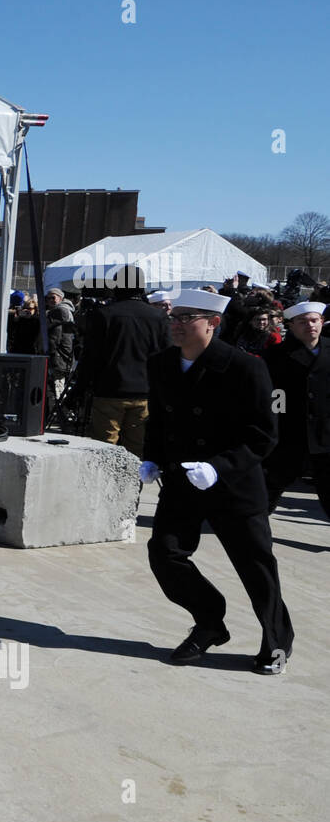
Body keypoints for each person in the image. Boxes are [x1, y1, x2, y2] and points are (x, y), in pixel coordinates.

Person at [140, 289, 293, 675]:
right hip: (182, 481)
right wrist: (153, 457)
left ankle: (276, 644)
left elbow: (263, 435)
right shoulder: (161, 363)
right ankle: (209, 621)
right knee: (165, 554)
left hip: (233, 485)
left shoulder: (245, 367)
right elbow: (158, 419)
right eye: (173, 317)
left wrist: (219, 468)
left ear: (213, 323)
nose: (175, 324)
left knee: (256, 567)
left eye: (186, 318)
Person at [78, 265, 171, 458]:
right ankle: (132, 486)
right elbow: (167, 356)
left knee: (103, 449)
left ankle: (104, 487)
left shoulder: (104, 314)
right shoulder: (158, 317)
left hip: (109, 391)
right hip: (145, 392)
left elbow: (90, 357)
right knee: (136, 450)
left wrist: (81, 387)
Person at [263, 301, 330, 518]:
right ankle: (253, 527)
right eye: (302, 322)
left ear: (322, 322)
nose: (309, 325)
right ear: (291, 326)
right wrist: (276, 422)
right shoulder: (276, 355)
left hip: (325, 434)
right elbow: (274, 395)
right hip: (290, 433)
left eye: (314, 320)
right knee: (271, 487)